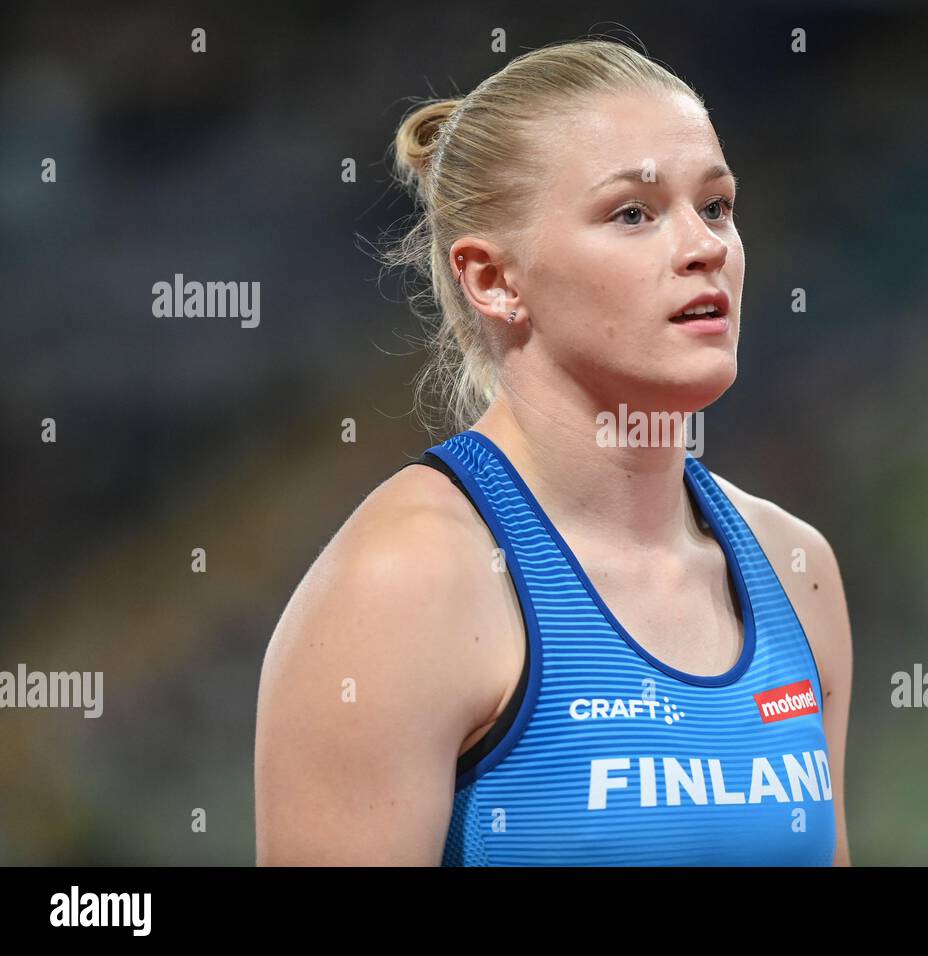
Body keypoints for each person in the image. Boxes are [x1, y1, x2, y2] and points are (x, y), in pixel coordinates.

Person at [255, 38, 853, 866]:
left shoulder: (797, 570)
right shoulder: (407, 583)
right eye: (633, 214)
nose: (705, 246)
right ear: (493, 280)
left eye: (715, 205)